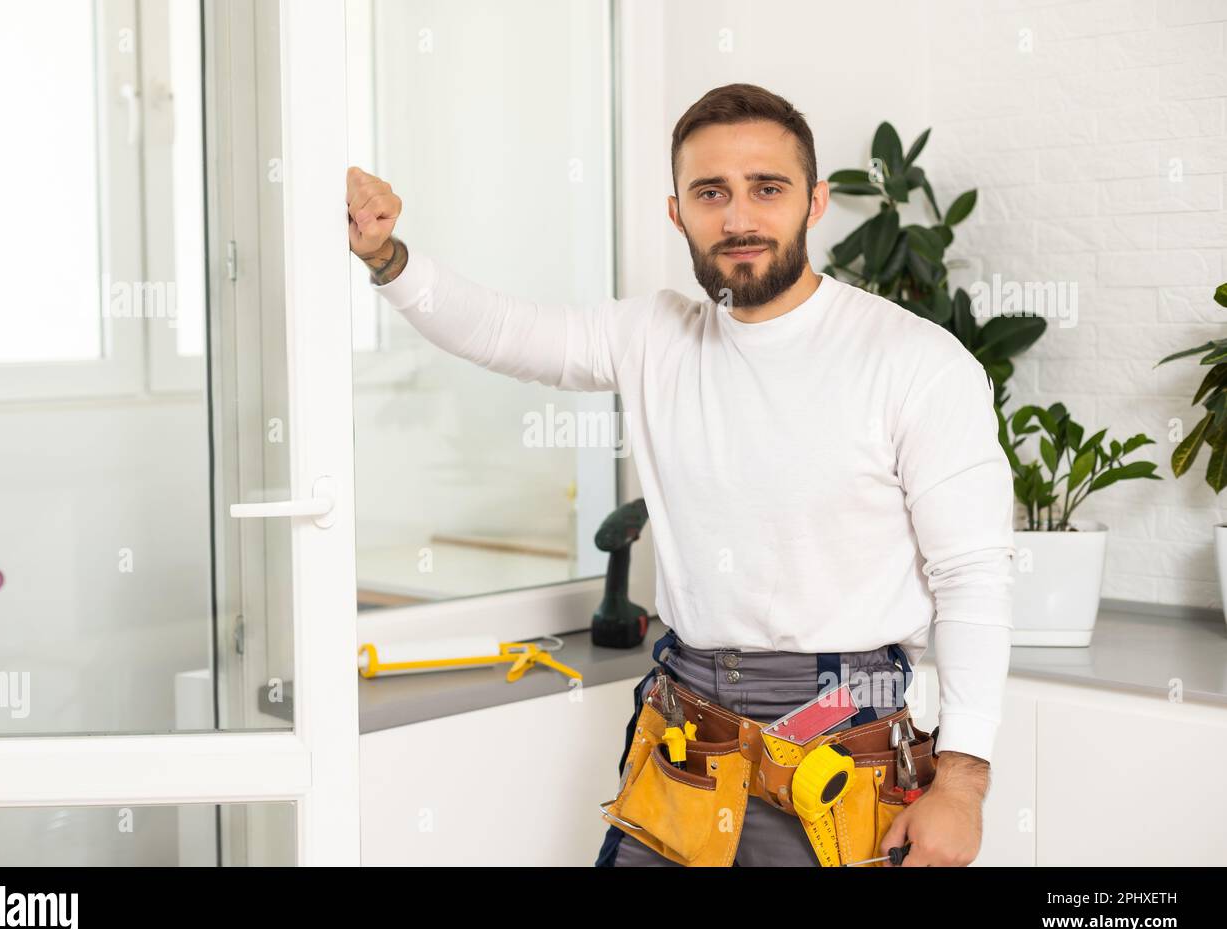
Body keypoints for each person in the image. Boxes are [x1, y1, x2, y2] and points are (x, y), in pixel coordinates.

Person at [344, 82, 1015, 867]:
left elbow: (972, 575)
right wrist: (387, 255)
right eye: (710, 193)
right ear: (678, 213)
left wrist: (962, 785)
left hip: (839, 751)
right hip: (687, 745)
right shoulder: (654, 335)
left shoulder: (915, 362)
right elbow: (504, 331)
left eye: (767, 189)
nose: (738, 218)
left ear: (814, 202)